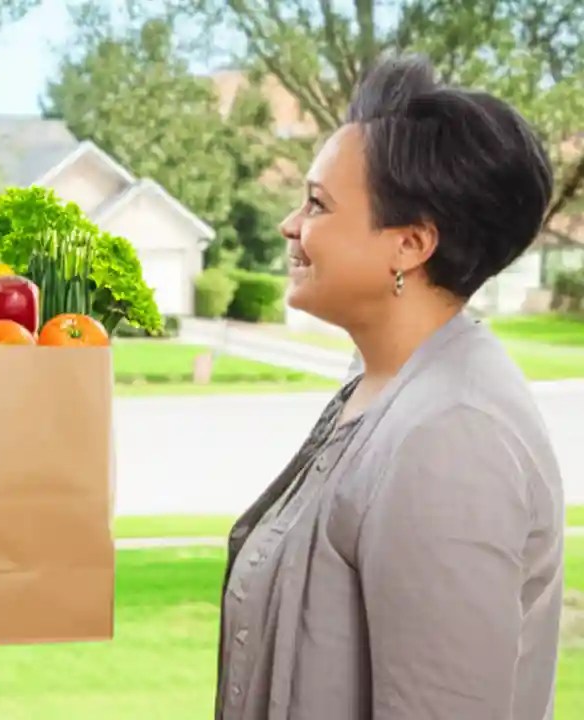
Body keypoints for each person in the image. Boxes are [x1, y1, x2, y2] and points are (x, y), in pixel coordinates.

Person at [216, 56, 565, 720]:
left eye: (317, 204)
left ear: (409, 243)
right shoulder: (382, 386)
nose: (291, 225)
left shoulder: (451, 439)